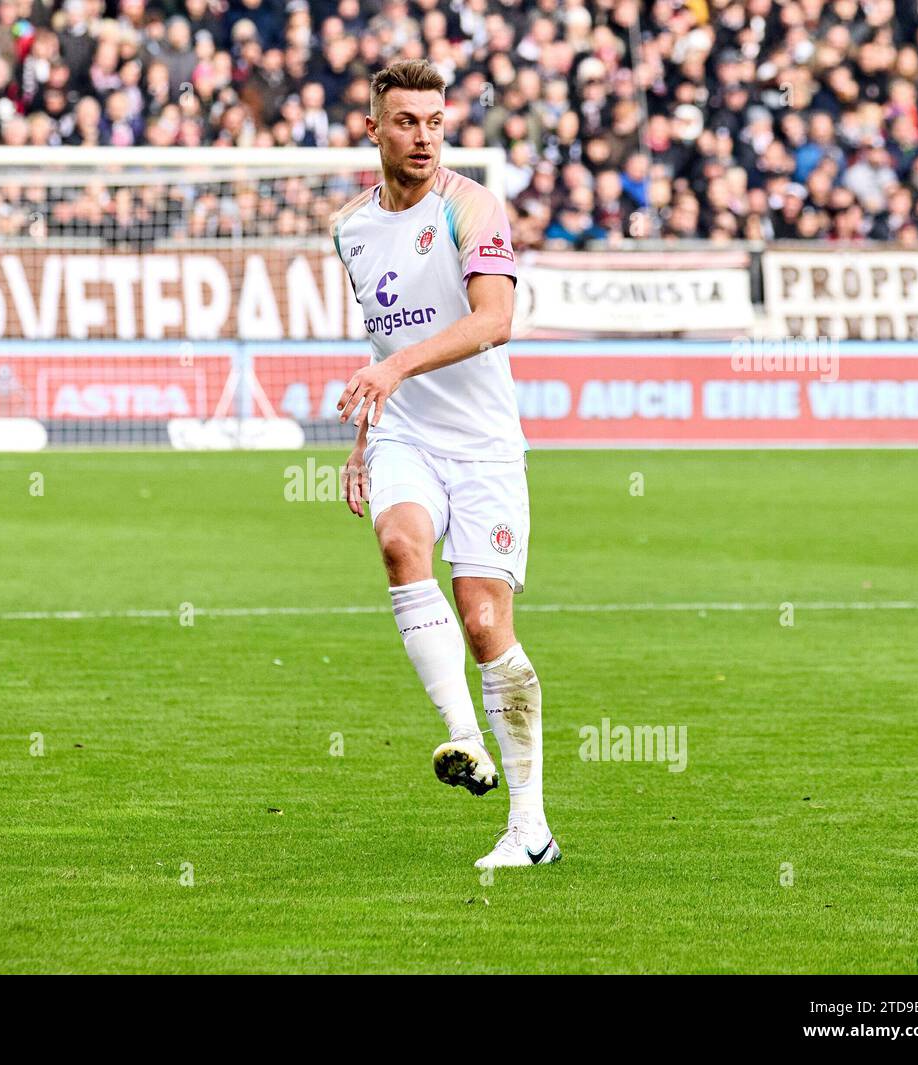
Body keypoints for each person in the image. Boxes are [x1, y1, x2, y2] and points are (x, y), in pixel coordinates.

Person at [329, 59, 556, 869]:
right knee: (398, 544)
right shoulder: (350, 227)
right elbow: (381, 336)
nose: (422, 136)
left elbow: (495, 320)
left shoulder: (471, 205)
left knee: (487, 623)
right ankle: (462, 734)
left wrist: (391, 373)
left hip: (486, 443)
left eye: (434, 120)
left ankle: (529, 828)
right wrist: (366, 430)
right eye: (405, 122)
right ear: (374, 128)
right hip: (405, 434)